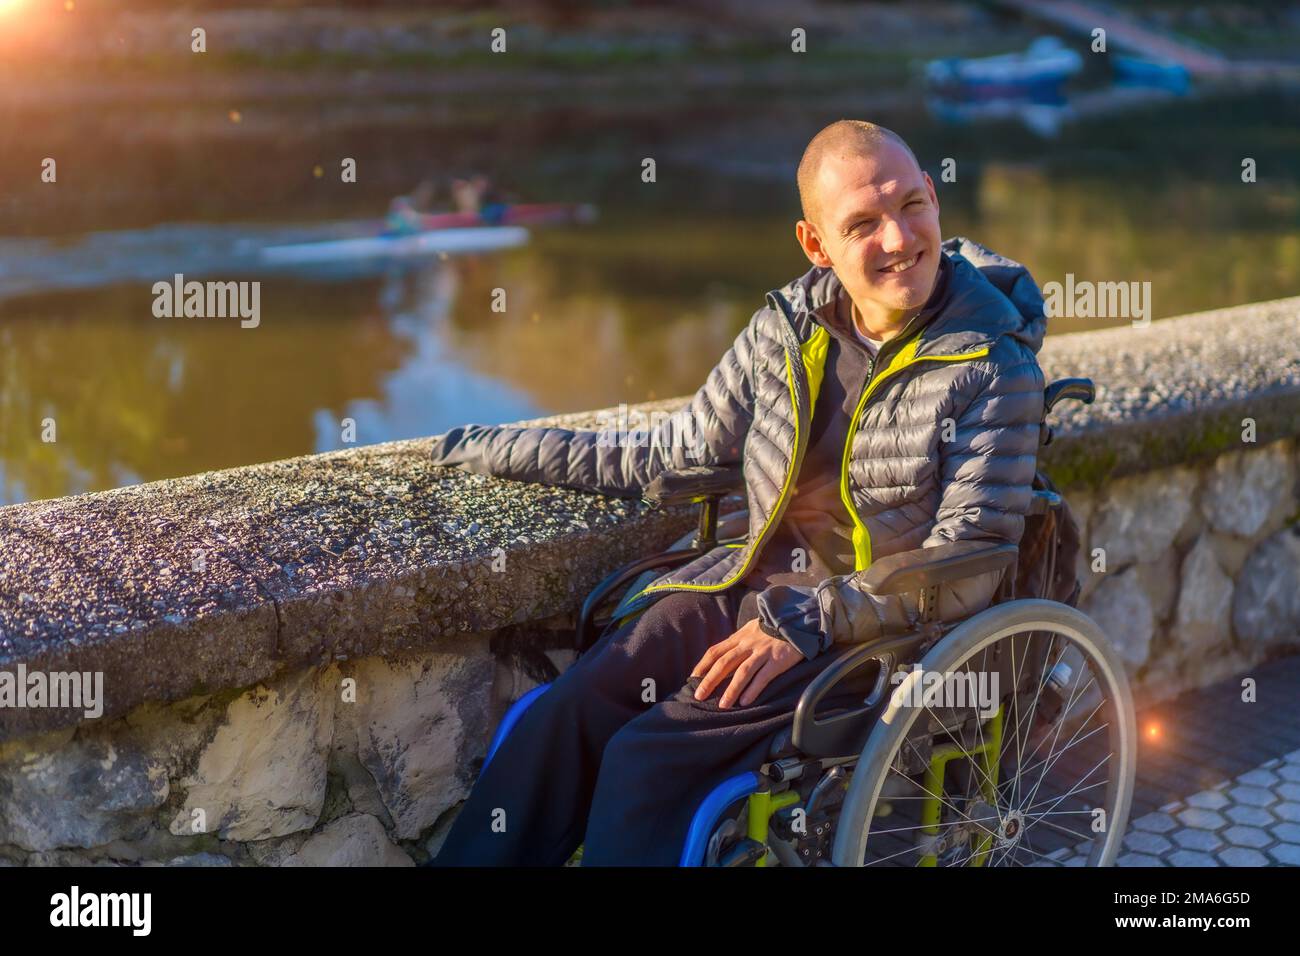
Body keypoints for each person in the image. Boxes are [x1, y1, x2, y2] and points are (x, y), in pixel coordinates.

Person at [426, 120, 1048, 866]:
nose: (899, 238)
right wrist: (495, 448)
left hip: (880, 635)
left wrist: (813, 617)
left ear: (935, 200)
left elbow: (971, 558)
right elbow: (671, 455)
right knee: (567, 713)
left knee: (646, 760)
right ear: (816, 246)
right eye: (862, 225)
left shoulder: (993, 364)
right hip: (751, 582)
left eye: (912, 206)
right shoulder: (784, 330)